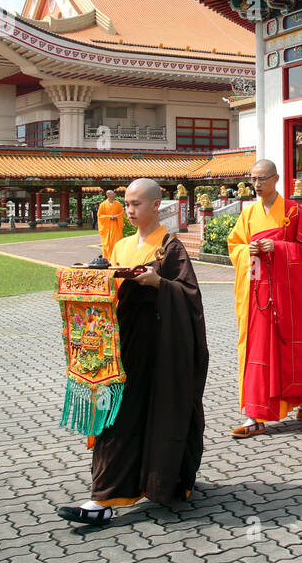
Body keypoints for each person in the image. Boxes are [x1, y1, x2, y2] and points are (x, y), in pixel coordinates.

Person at [58, 178, 209, 525]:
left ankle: (161, 481)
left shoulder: (169, 248)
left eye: (136, 204)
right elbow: (110, 286)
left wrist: (160, 284)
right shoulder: (122, 246)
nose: (130, 210)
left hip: (159, 348)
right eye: (127, 204)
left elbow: (189, 297)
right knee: (116, 417)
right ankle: (104, 495)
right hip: (121, 346)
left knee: (155, 413)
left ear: (157, 205)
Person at [226, 160, 302, 439]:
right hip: (257, 293)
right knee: (257, 352)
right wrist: (249, 250)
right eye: (253, 179)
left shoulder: (293, 212)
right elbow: (235, 246)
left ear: (276, 179)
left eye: (263, 179)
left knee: (291, 350)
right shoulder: (248, 214)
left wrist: (280, 248)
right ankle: (254, 414)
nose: (257, 185)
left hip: (288, 297)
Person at [97, 189, 124, 261]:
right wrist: (109, 217)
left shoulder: (118, 204)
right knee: (107, 244)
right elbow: (100, 216)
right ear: (108, 195)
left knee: (117, 242)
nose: (114, 195)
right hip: (107, 228)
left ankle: (117, 258)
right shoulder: (102, 205)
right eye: (112, 194)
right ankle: (107, 259)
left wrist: (117, 216)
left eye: (114, 194)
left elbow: (122, 213)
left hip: (116, 227)